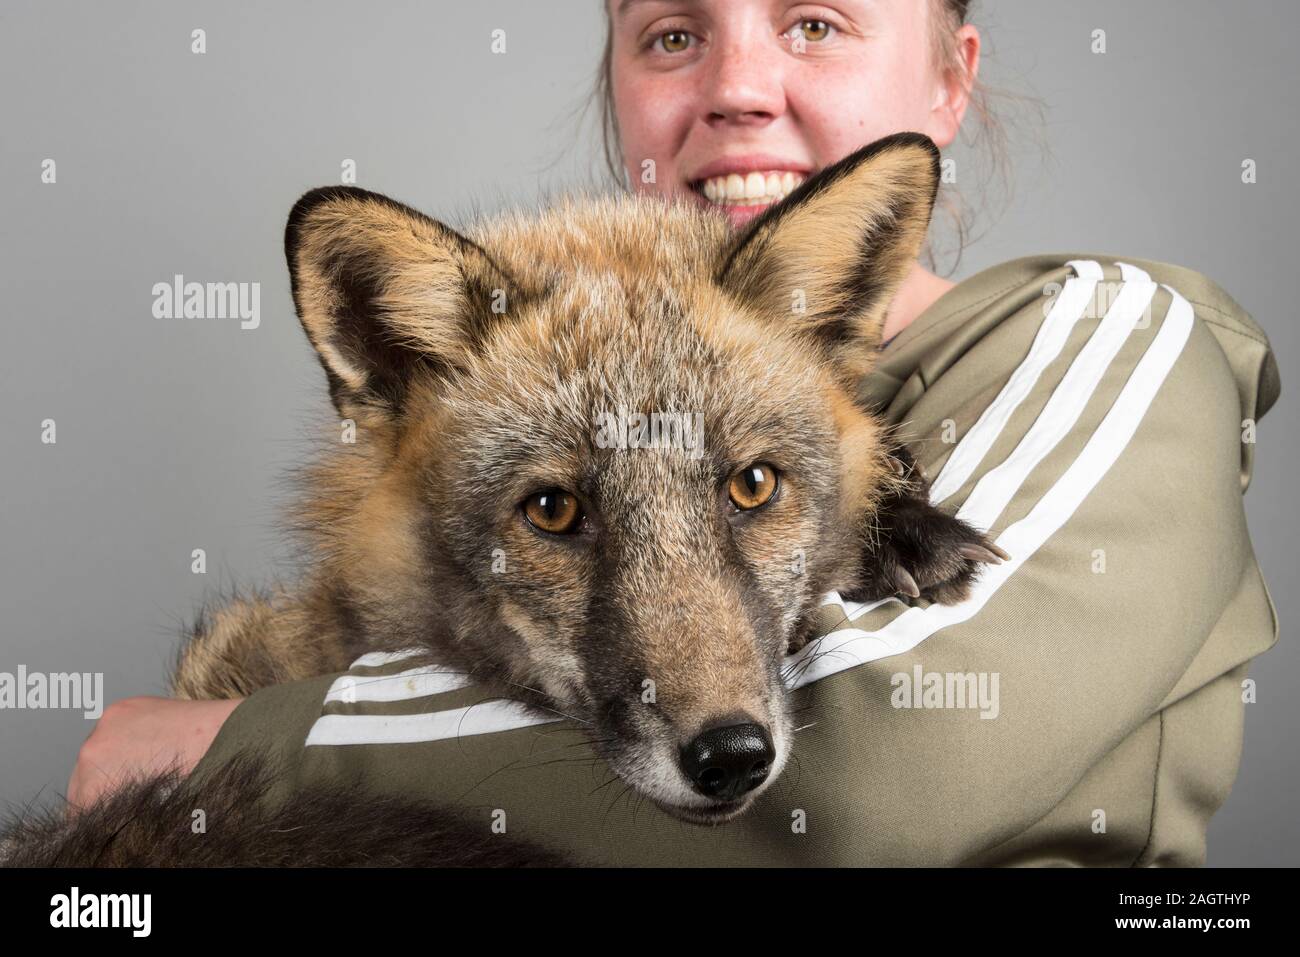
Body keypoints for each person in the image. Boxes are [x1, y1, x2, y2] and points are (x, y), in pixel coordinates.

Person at [64, 0, 1280, 864]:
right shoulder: (526, 387)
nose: (738, 87)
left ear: (950, 77)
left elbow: (888, 786)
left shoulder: (1117, 334)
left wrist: (251, 745)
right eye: (672, 35)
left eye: (816, 21)